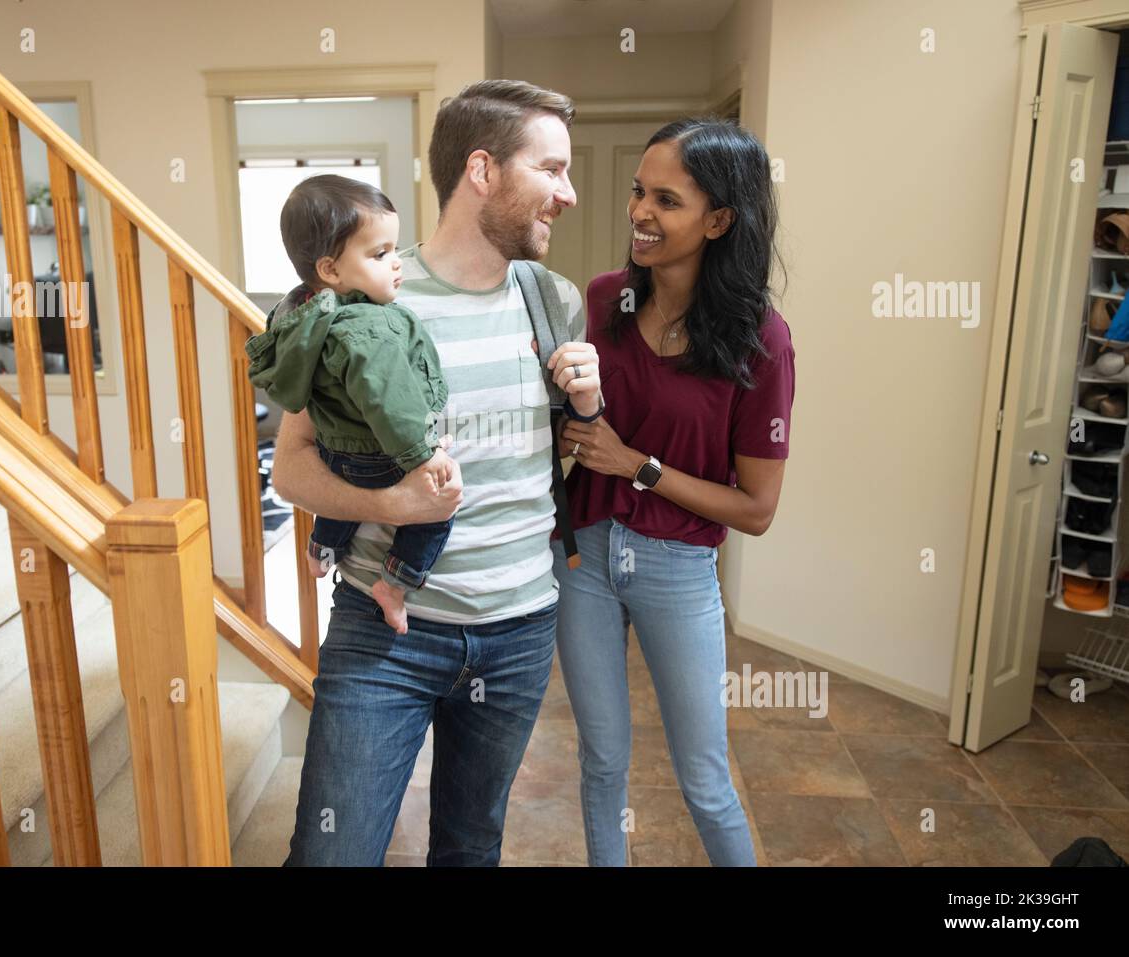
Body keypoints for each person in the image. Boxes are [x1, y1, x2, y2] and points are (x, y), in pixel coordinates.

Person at [275, 80, 603, 866]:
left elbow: (554, 458)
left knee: (469, 846)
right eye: (551, 170)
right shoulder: (365, 300)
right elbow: (290, 467)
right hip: (384, 633)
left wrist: (587, 405)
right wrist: (391, 500)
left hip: (520, 632)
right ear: (483, 171)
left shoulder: (552, 301)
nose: (571, 193)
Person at [552, 117, 795, 867]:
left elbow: (756, 508)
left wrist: (635, 464)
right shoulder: (601, 301)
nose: (640, 213)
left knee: (705, 779)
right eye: (637, 192)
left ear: (719, 219)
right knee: (601, 762)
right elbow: (578, 425)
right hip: (585, 559)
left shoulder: (762, 338)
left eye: (666, 199)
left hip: (679, 569)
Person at [245, 175, 455, 634]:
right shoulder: (368, 331)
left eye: (394, 250)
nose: (397, 264)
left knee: (347, 500)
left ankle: (323, 546)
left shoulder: (303, 311)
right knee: (437, 512)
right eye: (379, 254)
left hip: (336, 452)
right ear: (332, 270)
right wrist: (426, 453)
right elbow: (392, 404)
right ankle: (395, 586)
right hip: (379, 454)